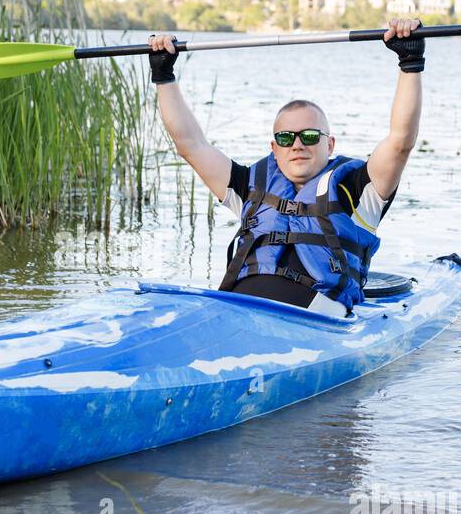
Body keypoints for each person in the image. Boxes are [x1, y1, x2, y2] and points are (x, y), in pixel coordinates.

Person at [148, 18, 424, 317]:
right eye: (286, 137)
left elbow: (400, 141)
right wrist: (164, 75)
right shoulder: (248, 186)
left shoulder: (358, 189)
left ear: (329, 145)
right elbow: (191, 144)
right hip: (236, 307)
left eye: (309, 136)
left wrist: (409, 63)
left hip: (311, 317)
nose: (297, 145)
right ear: (274, 148)